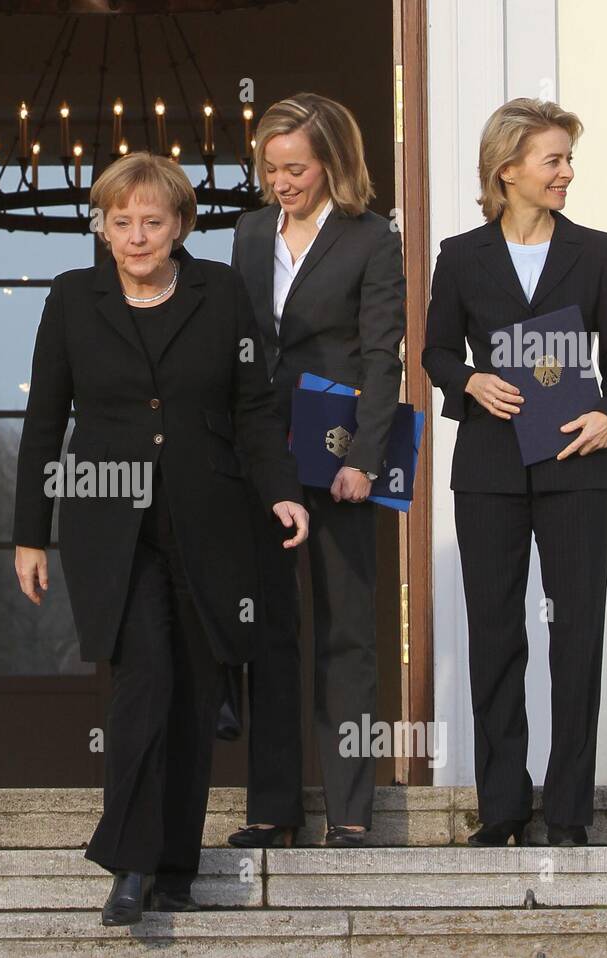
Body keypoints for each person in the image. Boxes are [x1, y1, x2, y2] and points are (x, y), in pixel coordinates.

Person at [12, 152, 308, 925]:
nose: (136, 236)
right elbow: (45, 420)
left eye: (152, 222)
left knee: (193, 692)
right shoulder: (74, 297)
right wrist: (28, 536)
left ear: (181, 225)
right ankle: (134, 862)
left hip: (211, 519)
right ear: (102, 227)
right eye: (121, 222)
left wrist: (280, 491)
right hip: (109, 525)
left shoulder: (222, 292)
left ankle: (174, 864)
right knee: (145, 677)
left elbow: (254, 406)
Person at [421, 98, 607, 846]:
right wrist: (469, 383)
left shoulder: (596, 249)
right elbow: (436, 352)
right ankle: (504, 806)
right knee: (495, 634)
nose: (567, 173)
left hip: (577, 463)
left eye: (568, 160)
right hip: (487, 468)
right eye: (554, 160)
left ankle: (570, 810)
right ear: (506, 168)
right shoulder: (460, 255)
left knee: (575, 633)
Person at [228, 93, 405, 849]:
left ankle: (353, 812)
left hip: (341, 457)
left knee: (348, 635)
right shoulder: (247, 232)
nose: (280, 181)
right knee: (268, 630)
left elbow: (380, 356)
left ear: (331, 161)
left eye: (294, 167)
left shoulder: (373, 239)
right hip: (262, 456)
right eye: (270, 167)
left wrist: (366, 457)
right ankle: (271, 811)